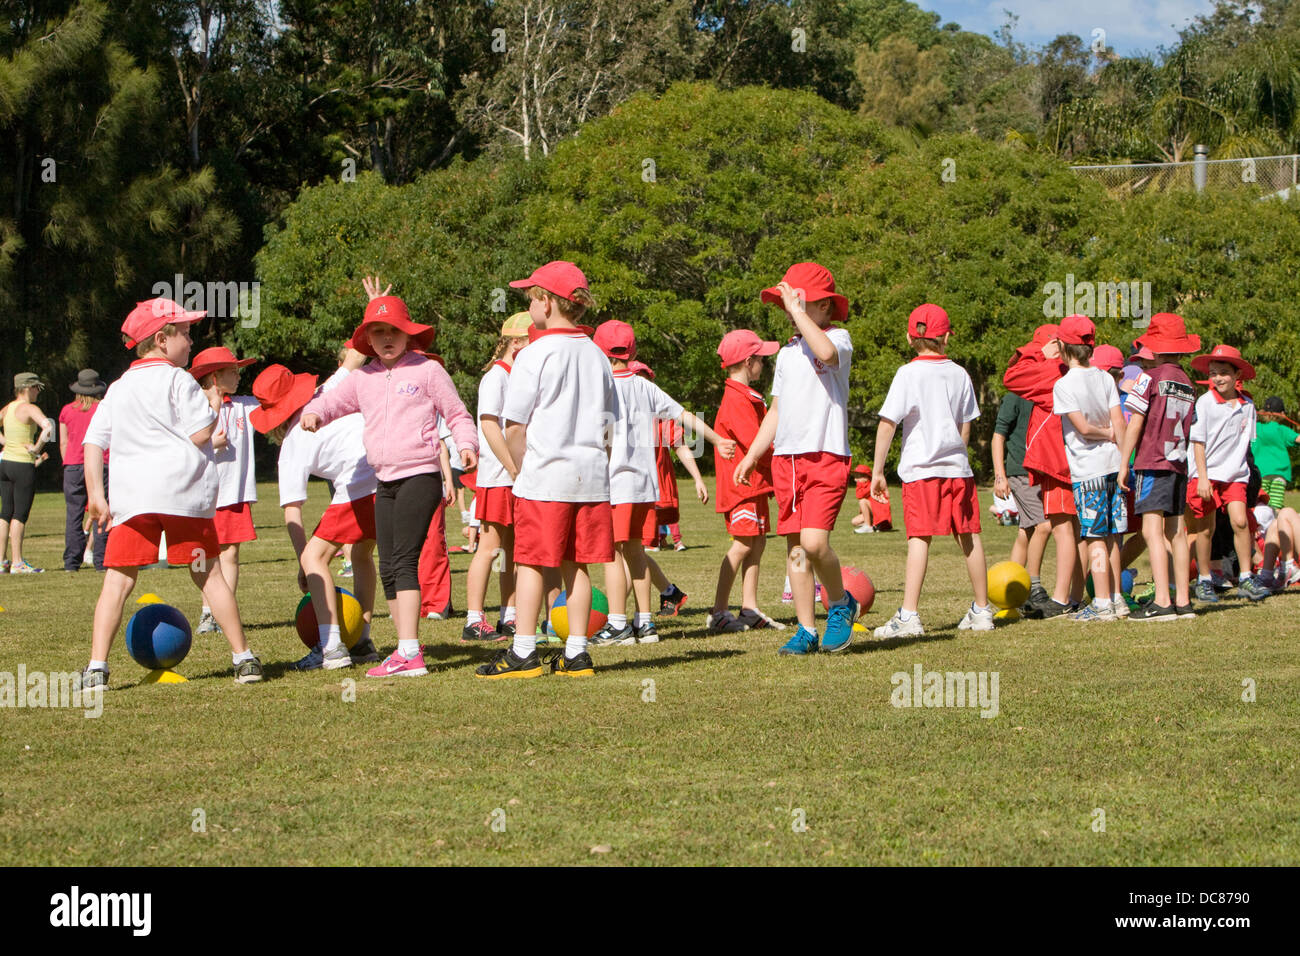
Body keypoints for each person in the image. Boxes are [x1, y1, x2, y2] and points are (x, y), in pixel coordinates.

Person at [80, 298, 263, 687]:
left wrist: (97, 495)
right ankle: (243, 658)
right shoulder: (180, 380)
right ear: (162, 340)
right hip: (184, 499)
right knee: (208, 575)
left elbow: (93, 442)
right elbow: (201, 435)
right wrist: (213, 406)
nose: (191, 341)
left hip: (134, 503)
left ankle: (97, 668)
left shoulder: (119, 386)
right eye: (186, 333)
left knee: (118, 581)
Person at [301, 281, 477, 678]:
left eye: (393, 331)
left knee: (403, 560)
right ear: (368, 340)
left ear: (408, 333)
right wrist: (315, 413)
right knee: (386, 567)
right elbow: (332, 401)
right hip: (385, 480)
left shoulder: (428, 370)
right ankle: (403, 649)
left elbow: (458, 414)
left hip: (421, 475)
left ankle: (411, 653)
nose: (385, 338)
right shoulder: (364, 379)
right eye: (377, 332)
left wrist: (467, 445)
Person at [476, 260, 613, 679]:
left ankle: (523, 653)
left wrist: (519, 470)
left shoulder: (534, 354)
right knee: (578, 565)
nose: (528, 302)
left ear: (548, 302)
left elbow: (514, 426)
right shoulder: (598, 355)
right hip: (590, 478)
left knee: (532, 563)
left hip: (544, 476)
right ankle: (576, 653)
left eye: (532, 295)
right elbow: (609, 424)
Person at [734, 262, 857, 655]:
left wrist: (801, 313)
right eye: (787, 303)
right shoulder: (787, 353)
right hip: (787, 461)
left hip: (826, 456)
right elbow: (777, 410)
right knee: (798, 550)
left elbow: (824, 351)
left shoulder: (838, 337)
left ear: (823, 306)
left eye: (797, 301)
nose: (788, 309)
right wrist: (754, 454)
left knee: (815, 543)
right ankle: (806, 629)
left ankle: (840, 604)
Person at [590, 319, 735, 646]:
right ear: (632, 351)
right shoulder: (645, 386)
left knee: (611, 552)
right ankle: (645, 624)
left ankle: (617, 625)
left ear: (599, 351)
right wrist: (715, 440)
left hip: (617, 483)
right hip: (645, 486)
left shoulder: (603, 387)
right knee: (636, 551)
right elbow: (684, 414)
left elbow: (601, 434)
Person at [253, 355, 382, 669]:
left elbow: (292, 513)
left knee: (315, 557)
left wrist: (304, 563)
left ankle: (332, 648)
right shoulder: (326, 391)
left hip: (360, 484)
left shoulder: (293, 443)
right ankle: (362, 641)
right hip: (389, 475)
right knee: (362, 555)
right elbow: (354, 355)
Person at [871, 304, 991, 636]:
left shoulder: (907, 373)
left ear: (911, 337)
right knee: (969, 535)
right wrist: (956, 455)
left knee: (919, 538)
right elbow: (964, 426)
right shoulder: (961, 374)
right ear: (946, 337)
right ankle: (982, 610)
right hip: (957, 469)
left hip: (921, 469)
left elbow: (887, 423)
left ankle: (909, 616)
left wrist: (877, 471)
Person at [1118, 313, 1199, 621]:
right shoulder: (1188, 382)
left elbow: (1135, 422)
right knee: (1177, 532)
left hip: (1152, 462)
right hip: (1178, 463)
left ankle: (1162, 601)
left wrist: (1123, 462)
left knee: (1152, 531)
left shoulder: (1147, 378)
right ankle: (1183, 601)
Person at [1049, 316, 1128, 622]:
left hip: (1089, 469)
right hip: (1112, 465)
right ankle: (1118, 598)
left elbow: (1081, 427)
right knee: (1113, 536)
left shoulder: (1064, 384)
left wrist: (1106, 434)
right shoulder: (1106, 378)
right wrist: (1121, 456)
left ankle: (1103, 603)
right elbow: (1118, 421)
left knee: (1095, 536)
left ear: (1063, 347)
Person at [462, 311, 533, 642]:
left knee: (511, 550)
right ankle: (474, 619)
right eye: (531, 342)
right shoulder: (496, 377)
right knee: (489, 547)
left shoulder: (514, 376)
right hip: (498, 477)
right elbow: (489, 424)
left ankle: (510, 615)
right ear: (516, 343)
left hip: (512, 476)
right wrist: (512, 466)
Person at [1003, 323, 1082, 617]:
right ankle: (1075, 594)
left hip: (1057, 464)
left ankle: (1061, 598)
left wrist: (1040, 356)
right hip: (1078, 463)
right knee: (1077, 532)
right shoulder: (1084, 375)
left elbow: (1012, 377)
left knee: (1062, 529)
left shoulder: (1053, 376)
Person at [708, 329, 782, 633]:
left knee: (758, 542)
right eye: (761, 359)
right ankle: (719, 611)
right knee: (742, 544)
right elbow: (756, 443)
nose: (764, 364)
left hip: (755, 486)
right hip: (742, 487)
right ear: (749, 361)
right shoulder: (737, 400)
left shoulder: (747, 397)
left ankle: (749, 607)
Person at [1185, 345, 1268, 603]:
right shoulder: (1205, 402)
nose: (1218, 378)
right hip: (1206, 473)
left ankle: (1246, 577)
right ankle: (1205, 579)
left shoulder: (1248, 406)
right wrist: (1203, 476)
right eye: (1213, 373)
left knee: (1241, 522)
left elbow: (1244, 444)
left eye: (1223, 372)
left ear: (1237, 375)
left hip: (1235, 474)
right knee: (1206, 529)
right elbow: (1198, 443)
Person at [189, 347, 259, 634]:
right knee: (202, 557)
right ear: (215, 377)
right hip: (200, 495)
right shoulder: (192, 408)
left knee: (229, 555)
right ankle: (208, 611)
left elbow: (282, 403)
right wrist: (209, 444)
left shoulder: (244, 405)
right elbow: (182, 443)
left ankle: (221, 613)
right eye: (233, 370)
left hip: (233, 496)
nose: (239, 375)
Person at [0, 372, 54, 573]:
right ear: (27, 388)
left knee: (5, 512)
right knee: (19, 514)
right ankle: (17, 562)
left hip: (5, 463)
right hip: (23, 464)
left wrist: (6, 443)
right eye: (37, 388)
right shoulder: (29, 408)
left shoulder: (8, 408)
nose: (38, 392)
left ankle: (1, 561)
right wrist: (37, 448)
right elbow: (48, 428)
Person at [59, 370, 108, 571]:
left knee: (74, 514)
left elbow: (63, 441)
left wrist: (69, 462)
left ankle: (71, 562)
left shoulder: (66, 410)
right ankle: (101, 560)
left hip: (73, 465)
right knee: (102, 511)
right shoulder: (103, 409)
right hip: (101, 463)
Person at [1252, 396, 1300, 511]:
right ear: (1282, 414)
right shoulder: (1282, 430)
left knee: (1260, 504)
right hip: (1279, 474)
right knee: (1276, 506)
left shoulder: (1255, 428)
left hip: (1260, 474)